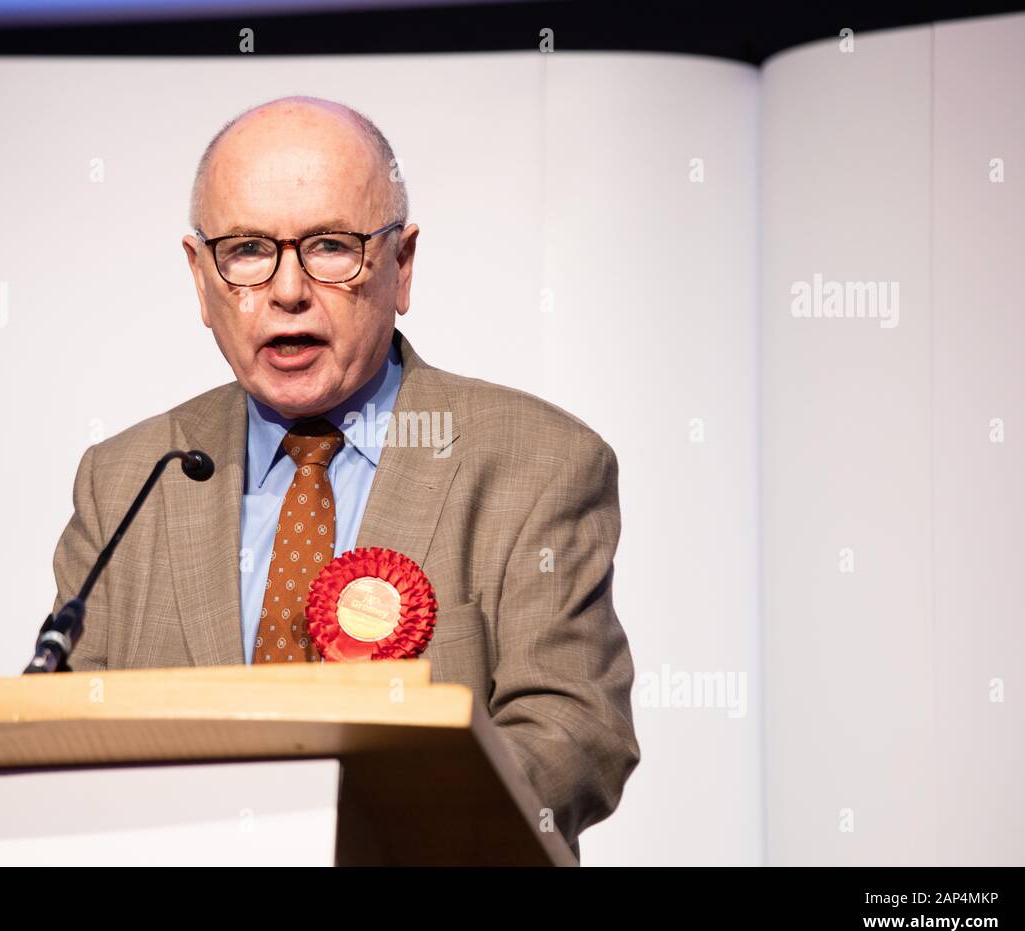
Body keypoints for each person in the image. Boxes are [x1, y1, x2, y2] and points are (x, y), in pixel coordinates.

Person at [50, 95, 639, 859]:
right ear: (201, 278)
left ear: (401, 267)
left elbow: (574, 736)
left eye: (331, 247)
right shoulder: (128, 478)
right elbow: (63, 735)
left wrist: (353, 833)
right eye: (247, 251)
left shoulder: (537, 461)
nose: (288, 289)